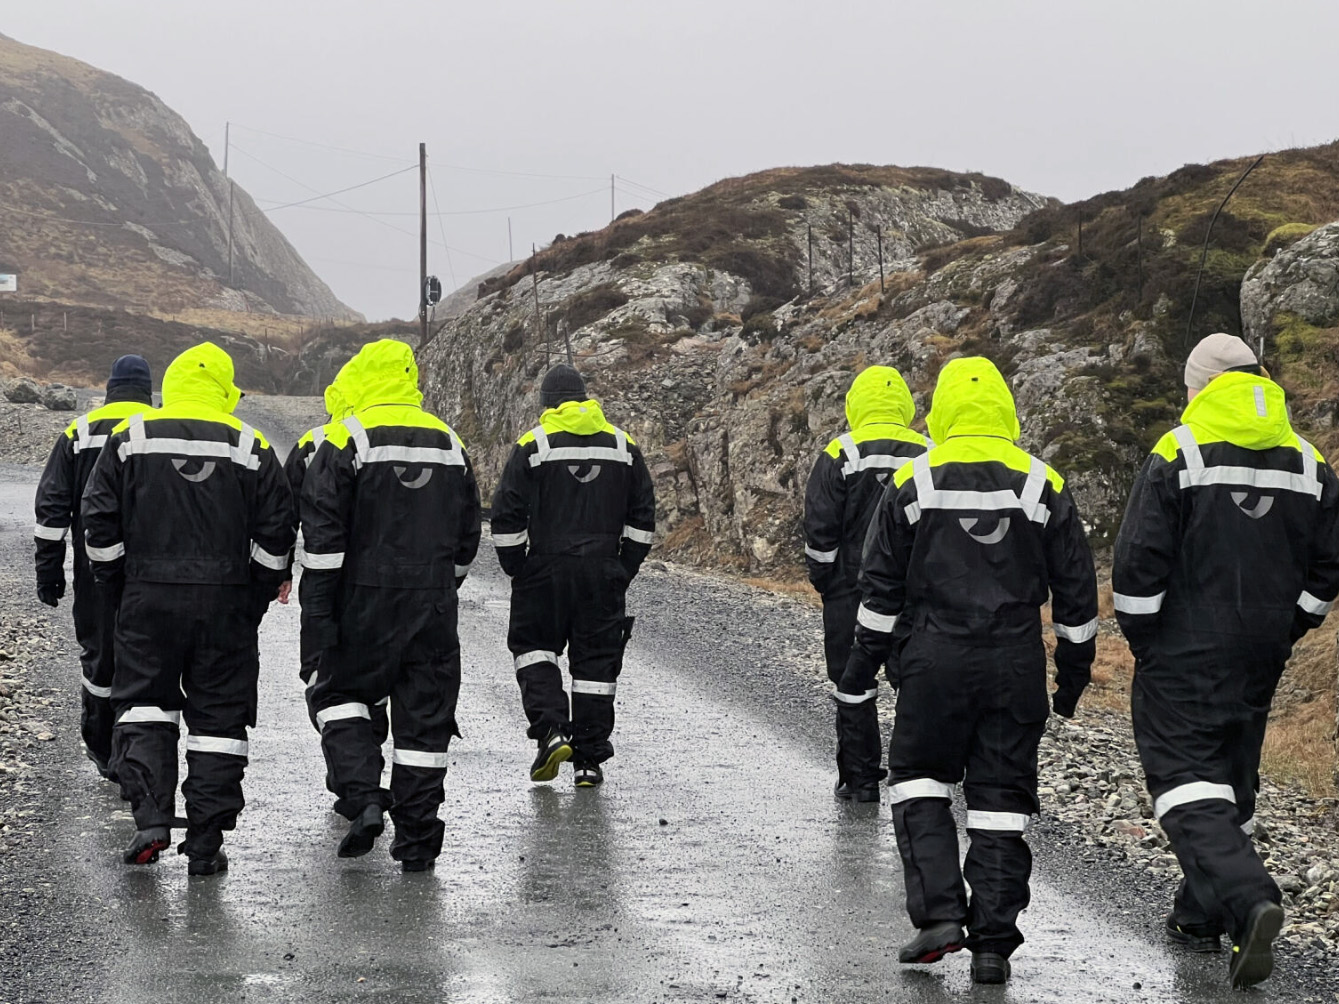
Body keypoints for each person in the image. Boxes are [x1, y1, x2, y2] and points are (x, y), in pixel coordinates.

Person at [843, 357, 1097, 985]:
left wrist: (861, 669)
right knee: (1001, 801)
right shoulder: (1044, 485)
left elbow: (879, 593)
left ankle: (937, 918)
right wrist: (1073, 676)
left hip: (934, 660)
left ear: (942, 411)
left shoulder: (912, 480)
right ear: (1007, 410)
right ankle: (992, 946)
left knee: (917, 777)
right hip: (1015, 663)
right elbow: (1077, 594)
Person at [1113, 333, 1339, 989]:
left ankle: (1247, 898)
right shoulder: (1307, 461)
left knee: (1182, 782)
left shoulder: (1176, 453)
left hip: (1181, 645)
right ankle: (1197, 913)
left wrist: (1144, 636)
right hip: (1262, 648)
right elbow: (1328, 565)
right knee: (1229, 780)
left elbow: (1135, 567)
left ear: (1202, 385)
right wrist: (1292, 623)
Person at [81, 342, 294, 876]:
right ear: (223, 389)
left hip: (146, 597)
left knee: (146, 705)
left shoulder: (130, 438)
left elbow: (97, 518)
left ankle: (151, 819)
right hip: (225, 602)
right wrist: (255, 596)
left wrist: (117, 583)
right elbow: (277, 533)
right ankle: (205, 842)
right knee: (219, 720)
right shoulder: (251, 444)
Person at [301, 339, 481, 871]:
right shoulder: (450, 442)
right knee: (425, 721)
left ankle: (363, 798)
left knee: (338, 693)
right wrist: (440, 589)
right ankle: (419, 842)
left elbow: (323, 543)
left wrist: (320, 620)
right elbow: (468, 537)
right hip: (432, 603)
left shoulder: (344, 438)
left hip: (361, 599)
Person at [491, 363, 655, 787]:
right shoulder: (624, 447)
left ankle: (551, 732)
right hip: (603, 571)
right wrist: (624, 568)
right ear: (584, 399)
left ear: (547, 404)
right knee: (596, 666)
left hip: (544, 568)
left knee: (534, 649)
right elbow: (643, 517)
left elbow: (506, 515)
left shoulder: (533, 445)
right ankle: (589, 761)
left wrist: (518, 569)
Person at [804, 365, 930, 802]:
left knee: (852, 684)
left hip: (850, 591)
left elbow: (820, 530)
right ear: (904, 405)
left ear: (855, 403)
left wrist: (828, 584)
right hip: (914, 595)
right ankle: (916, 779)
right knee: (912, 683)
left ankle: (859, 781)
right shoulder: (930, 453)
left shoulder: (840, 452)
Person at [33, 355, 154, 781]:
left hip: (93, 570)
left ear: (109, 388)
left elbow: (51, 509)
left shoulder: (78, 432)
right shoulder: (156, 426)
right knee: (145, 659)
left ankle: (103, 749)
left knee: (100, 659)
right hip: (149, 571)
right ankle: (140, 753)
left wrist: (49, 570)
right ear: (149, 389)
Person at [281, 366, 388, 757]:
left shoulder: (312, 444)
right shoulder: (380, 439)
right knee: (371, 667)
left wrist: (280, 570)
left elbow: (284, 513)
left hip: (325, 581)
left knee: (321, 671)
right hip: (381, 583)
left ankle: (353, 753)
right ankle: (366, 733)